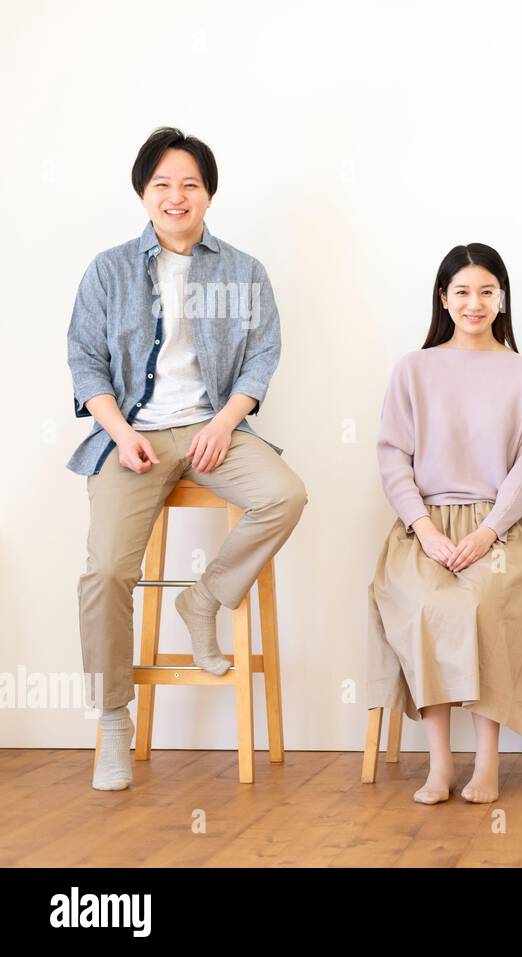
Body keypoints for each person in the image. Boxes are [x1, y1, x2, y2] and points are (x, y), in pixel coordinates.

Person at [66, 126, 307, 791]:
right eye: (162, 184)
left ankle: (205, 598)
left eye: (190, 184)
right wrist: (118, 430)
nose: (177, 196)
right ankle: (113, 716)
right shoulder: (108, 270)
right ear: (144, 193)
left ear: (209, 193)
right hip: (131, 435)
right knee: (108, 571)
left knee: (285, 493)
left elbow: (262, 355)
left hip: (213, 429)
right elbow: (85, 362)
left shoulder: (242, 270)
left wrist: (228, 420)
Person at [368, 243, 522, 805]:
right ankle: (439, 765)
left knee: (482, 605)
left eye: (486, 291)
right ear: (443, 298)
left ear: (502, 298)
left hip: (500, 531)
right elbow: (393, 457)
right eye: (461, 291)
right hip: (421, 528)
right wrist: (426, 530)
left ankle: (486, 763)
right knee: (429, 606)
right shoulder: (413, 369)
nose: (474, 303)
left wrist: (487, 533)